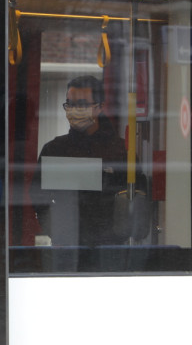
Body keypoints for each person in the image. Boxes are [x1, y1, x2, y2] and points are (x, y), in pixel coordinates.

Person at [32, 74, 127, 247]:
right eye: (70, 104)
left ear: (99, 107)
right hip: (66, 247)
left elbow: (131, 198)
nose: (74, 109)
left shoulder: (120, 151)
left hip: (109, 250)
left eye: (81, 104)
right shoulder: (54, 150)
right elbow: (38, 198)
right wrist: (57, 230)